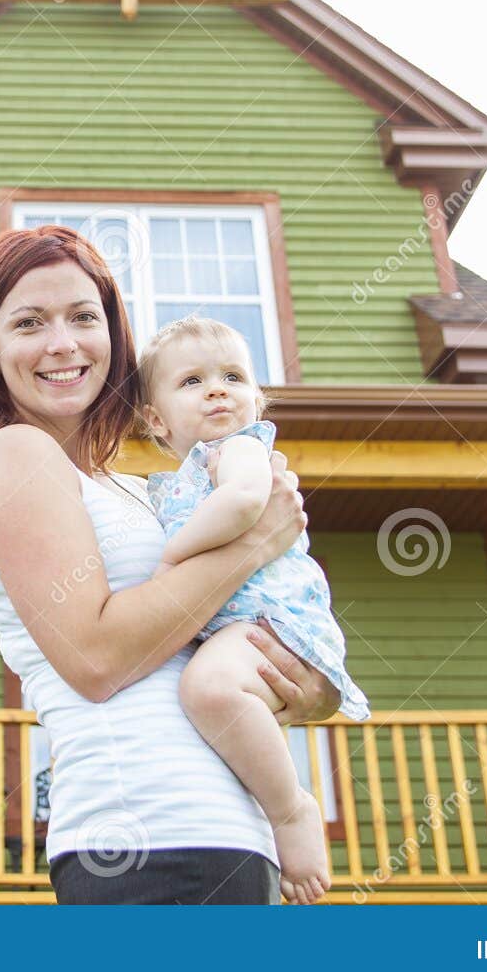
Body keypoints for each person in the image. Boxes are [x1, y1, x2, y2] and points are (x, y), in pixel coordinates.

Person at [0, 224, 340, 904]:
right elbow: (96, 658)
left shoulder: (136, 487)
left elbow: (212, 621)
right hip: (146, 840)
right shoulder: (14, 455)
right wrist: (255, 541)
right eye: (30, 322)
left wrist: (308, 684)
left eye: (83, 317)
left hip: (234, 833)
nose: (63, 343)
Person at [138, 315, 370, 904]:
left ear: (256, 402)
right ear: (155, 419)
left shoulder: (237, 451)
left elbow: (244, 504)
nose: (217, 389)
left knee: (210, 691)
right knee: (213, 693)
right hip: (245, 624)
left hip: (274, 621)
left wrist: (174, 555)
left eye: (233, 376)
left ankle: (291, 809)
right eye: (192, 380)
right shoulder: (174, 481)